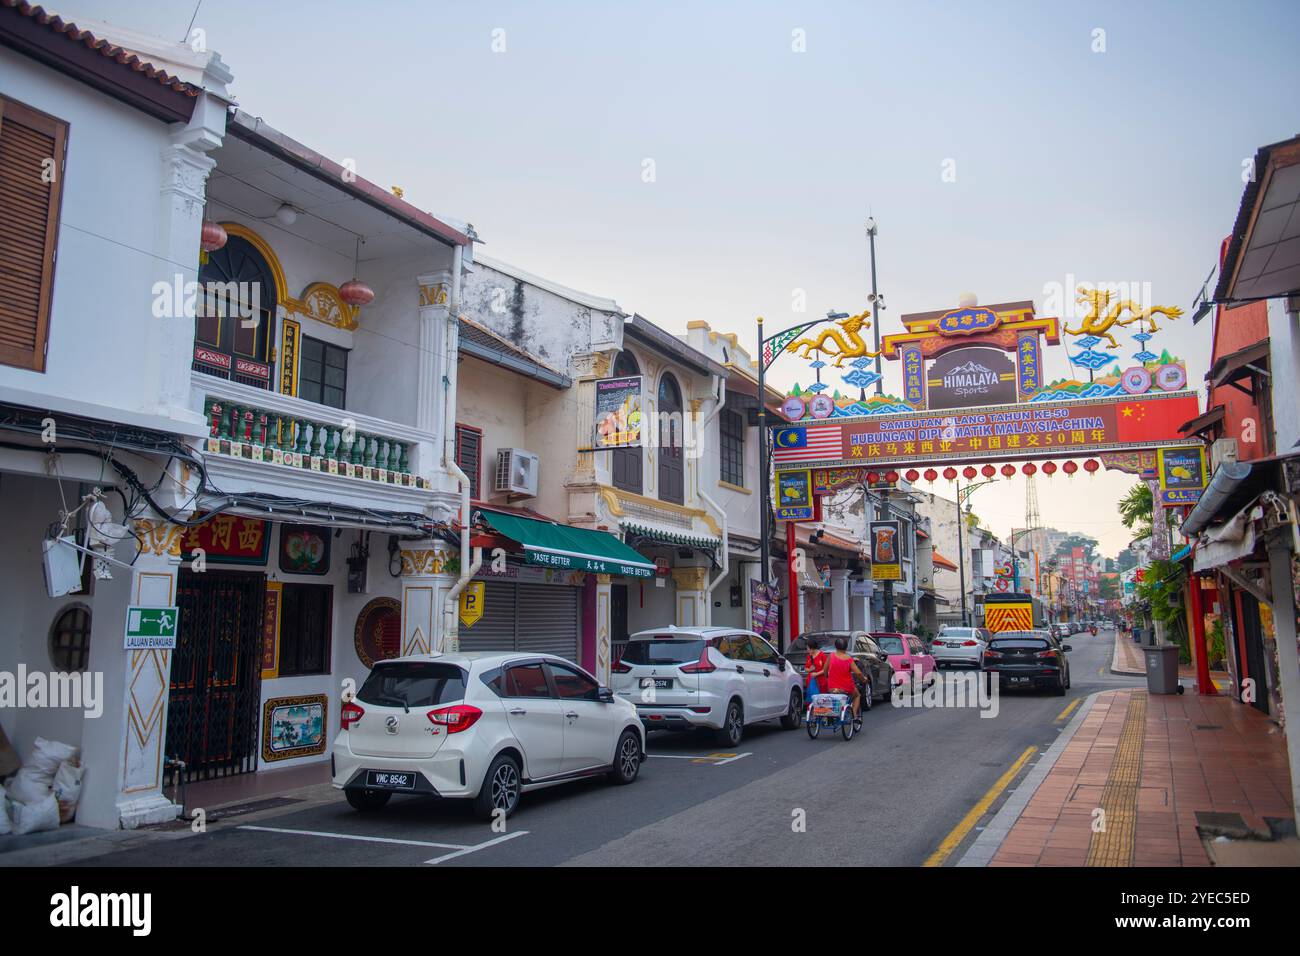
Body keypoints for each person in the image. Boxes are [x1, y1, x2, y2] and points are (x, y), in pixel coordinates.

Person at [821, 636, 867, 727]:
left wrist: (827, 677)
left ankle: (830, 716)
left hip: (832, 686)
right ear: (846, 647)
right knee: (857, 696)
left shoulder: (831, 656)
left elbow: (825, 670)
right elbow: (858, 672)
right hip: (846, 687)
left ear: (836, 646)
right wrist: (864, 679)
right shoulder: (849, 659)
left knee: (832, 699)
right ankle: (853, 716)